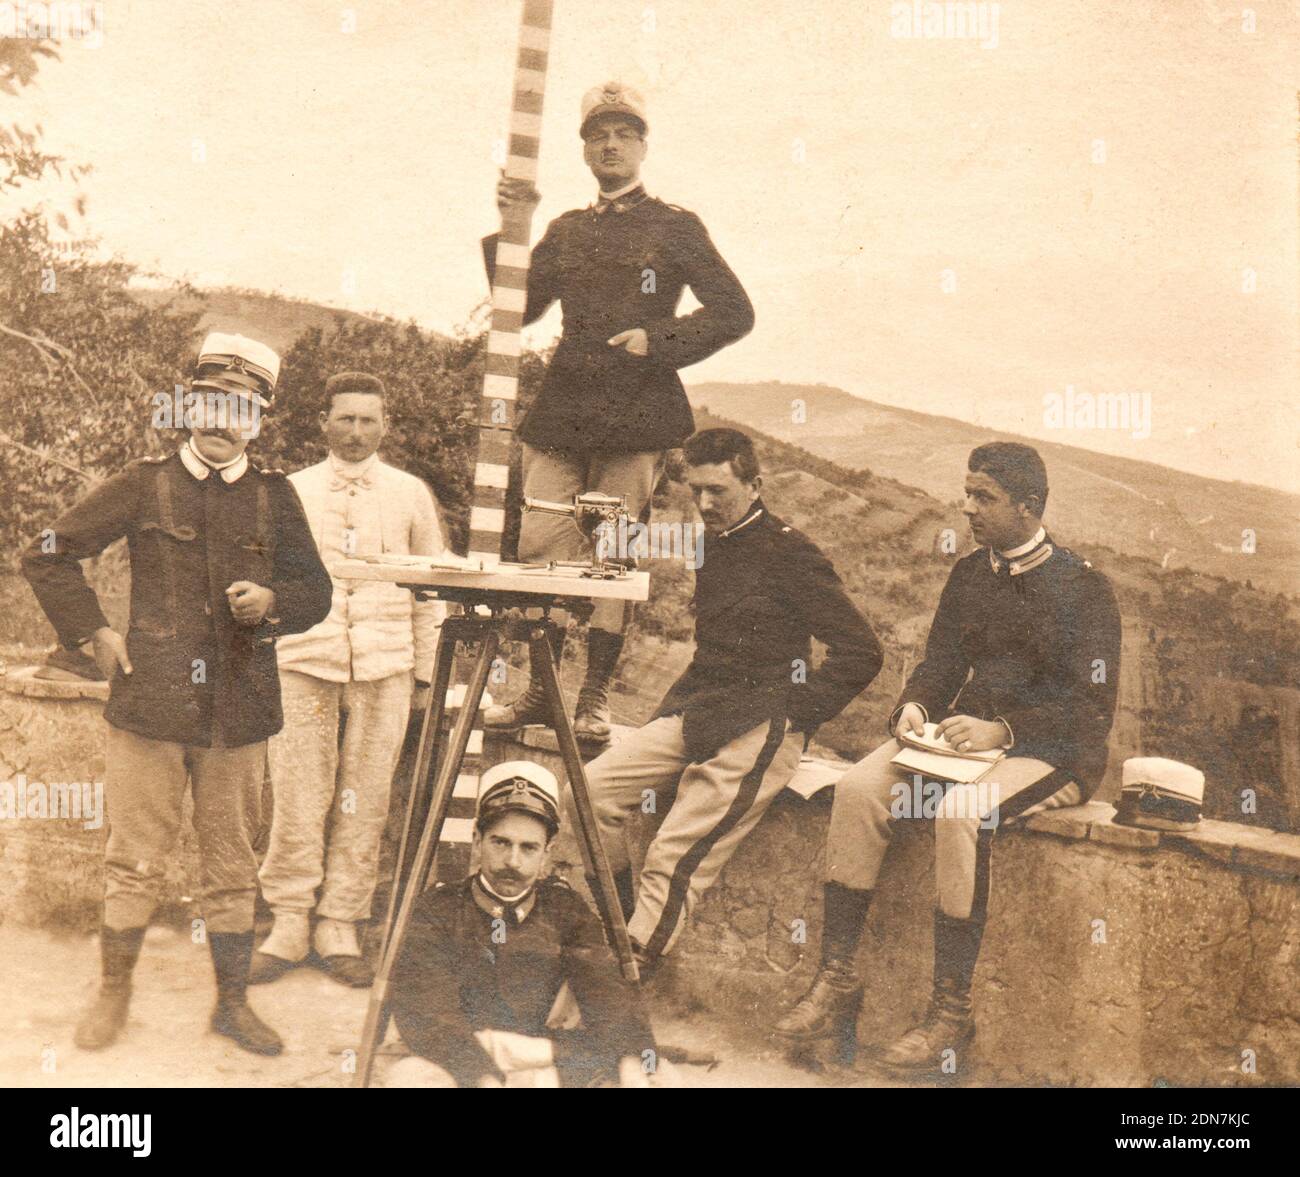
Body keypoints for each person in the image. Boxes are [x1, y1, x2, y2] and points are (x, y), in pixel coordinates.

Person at [21, 333, 334, 1055]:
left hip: (240, 711)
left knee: (232, 864)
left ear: (259, 418)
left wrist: (273, 599)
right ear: (187, 404)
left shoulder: (275, 495)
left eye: (240, 407)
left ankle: (231, 1004)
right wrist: (95, 633)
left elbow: (316, 591)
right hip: (150, 706)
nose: (222, 419)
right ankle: (114, 992)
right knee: (133, 859)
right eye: (210, 401)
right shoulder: (143, 482)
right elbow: (45, 553)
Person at [773, 442, 1122, 1074]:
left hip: (1053, 752)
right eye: (968, 494)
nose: (968, 508)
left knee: (963, 813)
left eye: (983, 497)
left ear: (1029, 505)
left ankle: (950, 1013)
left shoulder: (1084, 587)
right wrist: (912, 708)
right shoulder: (969, 575)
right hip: (961, 741)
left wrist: (1004, 730)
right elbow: (939, 664)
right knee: (857, 788)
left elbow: (1093, 707)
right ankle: (838, 977)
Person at [484, 81, 755, 742]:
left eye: (623, 133)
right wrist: (513, 230)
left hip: (637, 412)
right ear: (584, 150)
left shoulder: (675, 226)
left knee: (612, 557)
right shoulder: (569, 229)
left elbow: (735, 312)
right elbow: (517, 309)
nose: (610, 144)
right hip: (562, 413)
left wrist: (656, 341)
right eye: (597, 135)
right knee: (542, 550)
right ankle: (537, 693)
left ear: (642, 144)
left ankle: (592, 700)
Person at [584, 428, 883, 970]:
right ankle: (619, 932)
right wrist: (663, 725)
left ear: (756, 484)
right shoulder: (711, 545)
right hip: (701, 711)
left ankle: (625, 976)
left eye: (718, 490)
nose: (704, 504)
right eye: (696, 490)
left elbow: (861, 652)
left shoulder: (792, 552)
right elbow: (712, 653)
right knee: (587, 795)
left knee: (672, 856)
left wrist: (793, 715)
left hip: (761, 725)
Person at [251, 372, 446, 988]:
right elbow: (264, 579)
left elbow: (432, 589)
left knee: (366, 796)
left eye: (368, 420)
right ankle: (287, 919)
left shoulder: (412, 494)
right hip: (304, 658)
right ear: (324, 423)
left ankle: (341, 922)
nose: (356, 432)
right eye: (345, 419)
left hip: (385, 664)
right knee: (298, 793)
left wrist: (425, 675)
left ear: (385, 425)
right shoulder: (289, 491)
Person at [385, 761, 657, 1088]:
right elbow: (427, 1013)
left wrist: (631, 1064)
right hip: (464, 1058)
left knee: (649, 1077)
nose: (513, 862)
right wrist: (482, 1077)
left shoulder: (565, 908)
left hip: (543, 1056)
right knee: (410, 1079)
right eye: (501, 843)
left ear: (547, 852)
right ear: (477, 840)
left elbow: (606, 989)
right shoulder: (437, 910)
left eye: (528, 848)